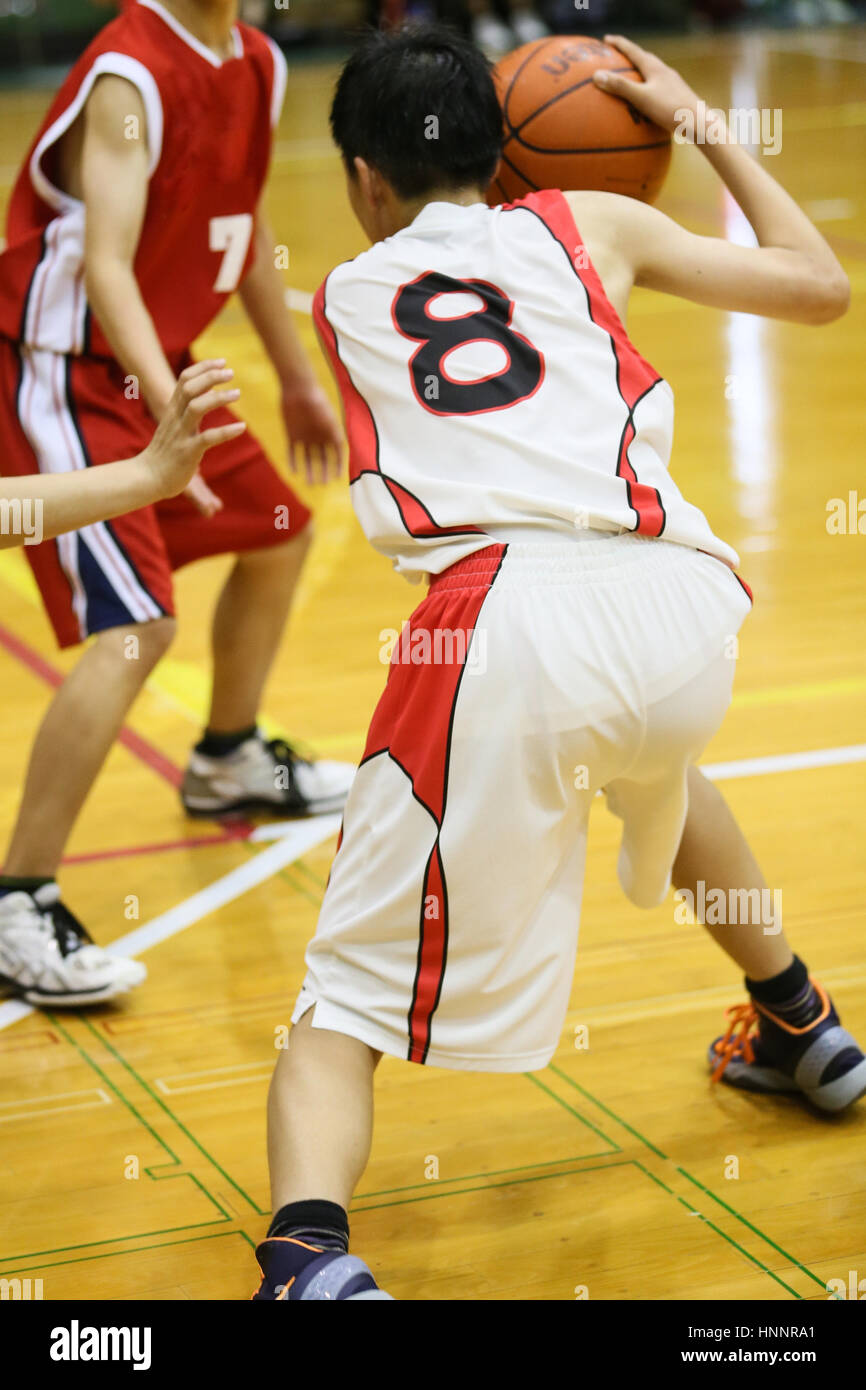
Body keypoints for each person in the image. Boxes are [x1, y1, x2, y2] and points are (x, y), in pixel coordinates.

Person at [250, 27, 863, 1301]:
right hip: (677, 601)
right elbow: (817, 287)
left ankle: (305, 1257)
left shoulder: (346, 292)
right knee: (658, 760)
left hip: (502, 624)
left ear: (365, 180)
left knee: (340, 1001)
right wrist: (694, 121)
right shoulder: (591, 221)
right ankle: (802, 1023)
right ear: (506, 147)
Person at [0, 0, 354, 1007]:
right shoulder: (129, 73)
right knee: (133, 628)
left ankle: (227, 757)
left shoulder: (254, 60)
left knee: (281, 528)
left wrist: (294, 376)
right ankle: (18, 899)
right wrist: (171, 433)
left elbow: (243, 228)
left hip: (155, 366)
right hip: (64, 373)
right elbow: (105, 263)